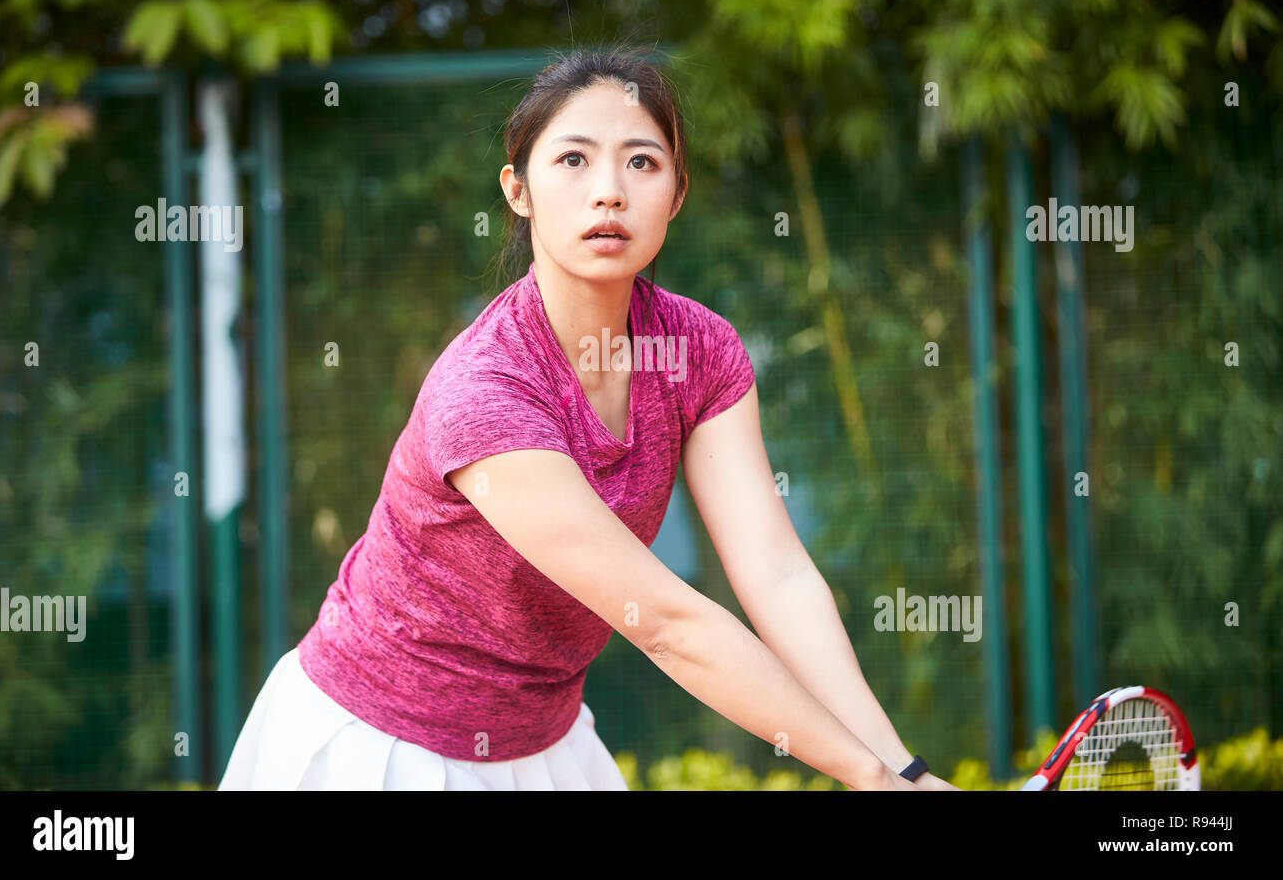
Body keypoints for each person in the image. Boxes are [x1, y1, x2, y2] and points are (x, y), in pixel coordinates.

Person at [219, 45, 958, 791]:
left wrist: (904, 769)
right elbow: (668, 626)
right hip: (377, 748)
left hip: (543, 741)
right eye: (573, 160)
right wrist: (871, 780)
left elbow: (778, 574)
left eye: (642, 163)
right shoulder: (486, 389)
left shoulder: (699, 351)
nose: (609, 191)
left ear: (675, 194)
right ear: (518, 191)